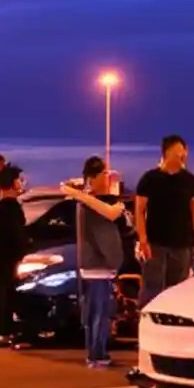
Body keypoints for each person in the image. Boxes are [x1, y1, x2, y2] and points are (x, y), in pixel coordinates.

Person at [63, 157, 127, 368]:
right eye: (103, 174)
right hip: (97, 268)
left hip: (95, 268)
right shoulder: (90, 206)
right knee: (99, 315)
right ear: (93, 177)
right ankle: (97, 355)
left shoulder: (89, 203)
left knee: (95, 314)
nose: (107, 178)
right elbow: (107, 225)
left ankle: (96, 353)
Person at [136, 135, 194, 306]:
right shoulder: (150, 179)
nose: (184, 155)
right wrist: (143, 239)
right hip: (155, 244)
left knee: (178, 289)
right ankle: (147, 322)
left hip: (182, 244)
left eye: (185, 152)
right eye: (180, 152)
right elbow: (139, 209)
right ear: (168, 152)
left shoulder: (190, 180)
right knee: (152, 287)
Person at [0, 164, 27, 347]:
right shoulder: (12, 209)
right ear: (12, 183)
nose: (21, 183)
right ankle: (5, 331)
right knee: (7, 294)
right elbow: (18, 237)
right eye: (18, 179)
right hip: (10, 260)